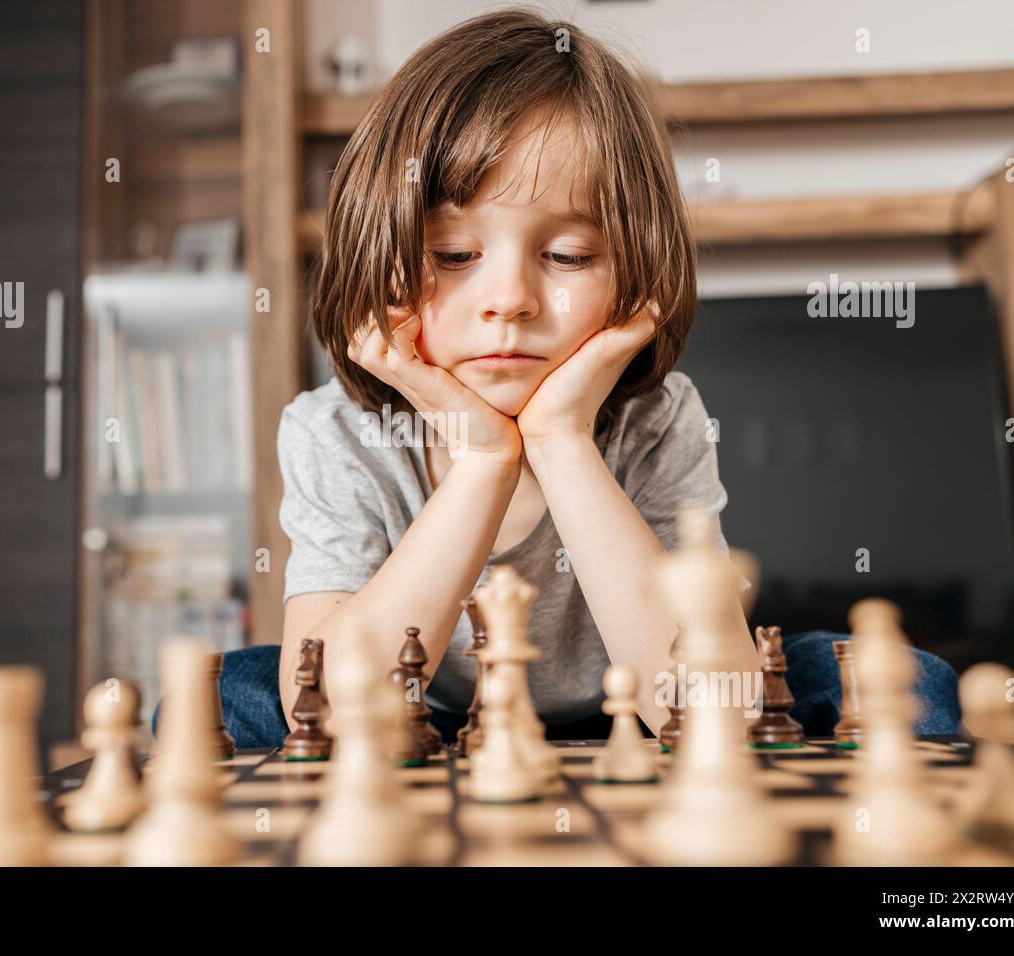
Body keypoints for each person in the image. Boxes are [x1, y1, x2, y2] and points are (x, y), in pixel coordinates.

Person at [179, 9, 960, 748]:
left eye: (568, 257)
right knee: (222, 696)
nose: (509, 301)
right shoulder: (333, 432)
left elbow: (708, 707)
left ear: (633, 279)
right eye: (453, 256)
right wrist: (484, 460)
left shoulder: (660, 417)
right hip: (437, 724)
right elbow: (334, 713)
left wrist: (558, 438)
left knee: (901, 678)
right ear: (376, 267)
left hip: (632, 718)